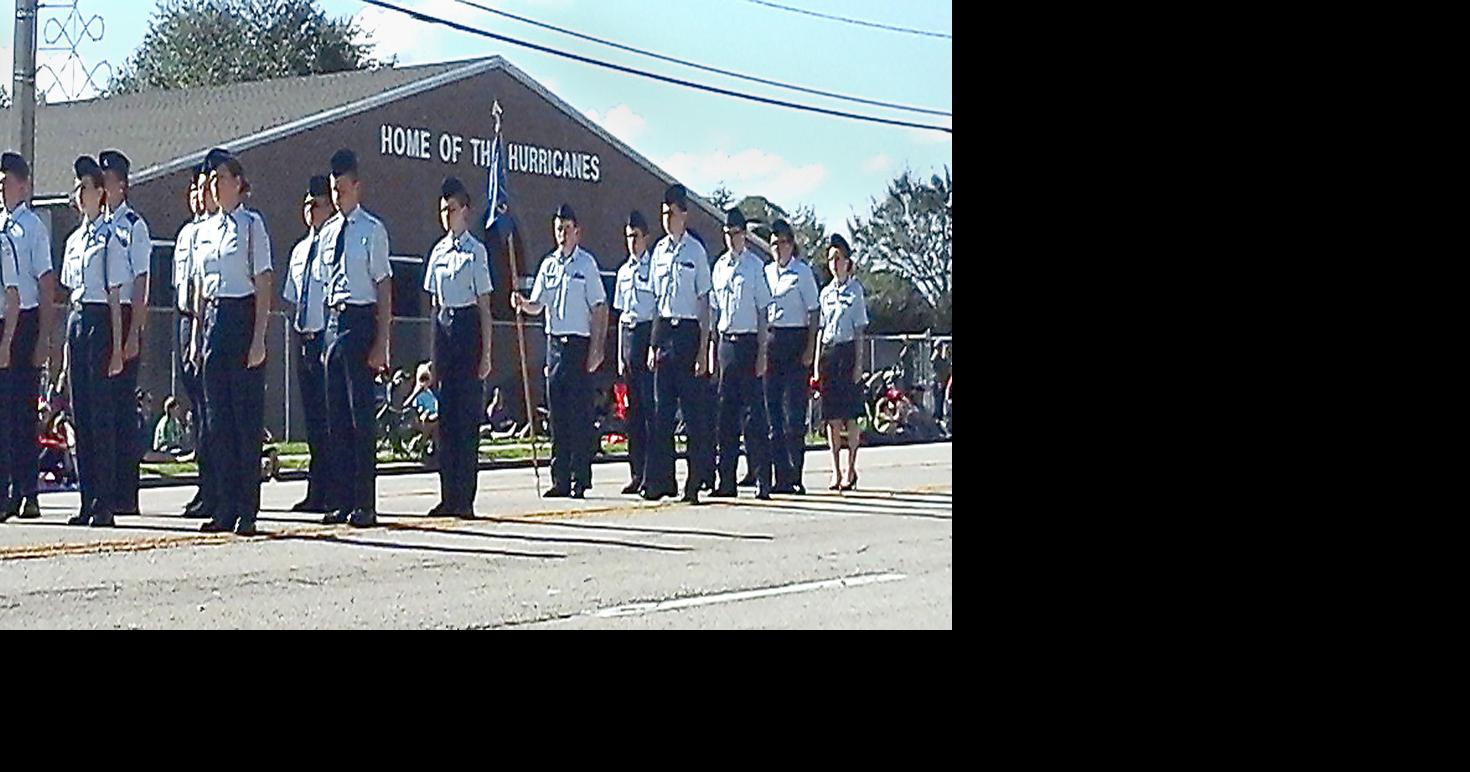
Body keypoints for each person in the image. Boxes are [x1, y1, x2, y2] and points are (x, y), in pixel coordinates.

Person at [196, 153, 272, 535]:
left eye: (221, 176)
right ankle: (224, 505)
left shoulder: (251, 225)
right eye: (211, 177)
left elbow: (262, 283)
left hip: (241, 319)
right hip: (213, 321)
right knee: (217, 421)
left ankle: (247, 508)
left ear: (238, 182)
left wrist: (259, 337)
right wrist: (197, 336)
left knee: (244, 420)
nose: (214, 183)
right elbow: (200, 286)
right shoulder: (205, 230)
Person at [511, 203, 607, 499]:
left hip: (579, 346)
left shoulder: (586, 265)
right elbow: (539, 304)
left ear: (577, 231)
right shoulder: (548, 265)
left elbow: (600, 308)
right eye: (558, 229)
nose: (562, 235)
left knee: (579, 415)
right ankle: (560, 478)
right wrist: (522, 304)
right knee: (558, 415)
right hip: (555, 347)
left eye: (566, 229)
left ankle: (581, 477)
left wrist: (597, 349)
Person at [319, 149, 393, 528]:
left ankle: (365, 502)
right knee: (336, 419)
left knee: (359, 417)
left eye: (343, 189)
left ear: (357, 187)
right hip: (333, 324)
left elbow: (383, 286)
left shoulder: (371, 230)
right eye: (334, 190)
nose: (337, 196)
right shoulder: (328, 232)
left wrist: (382, 341)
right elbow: (322, 286)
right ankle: (341, 498)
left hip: (361, 321)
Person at [59, 156, 128, 526]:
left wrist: (117, 347)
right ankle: (86, 499)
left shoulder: (110, 237)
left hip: (101, 320)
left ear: (100, 193)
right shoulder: (73, 241)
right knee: (81, 415)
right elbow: (70, 292)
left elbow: (115, 296)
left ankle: (105, 501)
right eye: (77, 187)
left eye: (85, 186)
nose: (79, 193)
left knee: (101, 417)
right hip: (77, 319)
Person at [423, 176, 494, 516]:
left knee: (466, 420)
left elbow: (484, 307)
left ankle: (464, 497)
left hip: (468, 332)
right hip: (445, 331)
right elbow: (434, 306)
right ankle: (447, 494)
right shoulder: (437, 252)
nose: (446, 215)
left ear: (465, 210)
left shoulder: (476, 252)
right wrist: (433, 357)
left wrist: (487, 354)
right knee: (447, 421)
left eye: (451, 209)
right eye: (441, 210)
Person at [643, 185, 713, 504]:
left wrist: (702, 350)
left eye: (671, 212)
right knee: (661, 414)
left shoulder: (695, 251)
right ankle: (660, 481)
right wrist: (652, 345)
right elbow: (657, 303)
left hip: (687, 333)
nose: (666, 218)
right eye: (663, 213)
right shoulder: (658, 252)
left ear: (684, 214)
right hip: (664, 336)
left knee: (693, 415)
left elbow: (703, 303)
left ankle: (694, 482)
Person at [0, 151, 55, 521]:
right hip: (2, 319)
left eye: (7, 181)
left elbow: (46, 282)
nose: (2, 188)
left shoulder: (32, 227)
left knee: (22, 412)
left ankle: (27, 490)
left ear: (24, 184)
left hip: (26, 323)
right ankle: (7, 489)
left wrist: (44, 338)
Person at [98, 150, 150, 516]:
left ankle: (126, 492)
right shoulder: (97, 226)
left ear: (122, 184)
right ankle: (107, 488)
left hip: (127, 315)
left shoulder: (133, 225)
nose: (104, 188)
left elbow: (142, 281)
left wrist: (134, 334)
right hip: (103, 318)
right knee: (104, 410)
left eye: (108, 181)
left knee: (121, 408)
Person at [708, 208, 773, 499]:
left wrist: (761, 352)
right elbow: (713, 311)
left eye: (735, 234)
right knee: (725, 417)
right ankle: (726, 481)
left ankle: (761, 478)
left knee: (753, 417)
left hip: (748, 344)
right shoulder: (719, 267)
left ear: (744, 235)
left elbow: (762, 312)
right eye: (727, 234)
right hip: (726, 344)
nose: (731, 239)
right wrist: (711, 350)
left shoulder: (755, 267)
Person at [280, 174, 334, 513]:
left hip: (329, 339)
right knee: (313, 421)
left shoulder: (334, 244)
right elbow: (290, 296)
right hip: (306, 340)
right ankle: (316, 490)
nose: (309, 210)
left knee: (332, 421)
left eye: (315, 204)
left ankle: (335, 489)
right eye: (306, 204)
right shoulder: (300, 250)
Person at [763, 219, 821, 495]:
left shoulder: (802, 273)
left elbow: (814, 312)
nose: (778, 248)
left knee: (793, 414)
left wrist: (810, 348)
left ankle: (795, 474)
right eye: (774, 243)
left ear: (791, 244)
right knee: (772, 413)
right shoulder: (766, 273)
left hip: (795, 342)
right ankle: (779, 475)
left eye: (782, 243)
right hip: (772, 342)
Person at [182, 155, 225, 518]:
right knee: (198, 412)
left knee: (214, 412)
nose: (199, 194)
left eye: (204, 187)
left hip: (211, 319)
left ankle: (217, 489)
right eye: (196, 188)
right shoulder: (190, 233)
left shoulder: (219, 231)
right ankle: (203, 487)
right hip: (189, 321)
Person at [815, 234, 868, 492]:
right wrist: (816, 364)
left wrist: (859, 365)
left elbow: (859, 331)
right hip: (829, 353)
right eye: (831, 259)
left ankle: (851, 468)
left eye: (838, 258)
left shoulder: (855, 291)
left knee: (851, 416)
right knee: (832, 417)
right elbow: (820, 330)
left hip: (848, 354)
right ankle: (835, 470)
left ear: (848, 262)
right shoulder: (825, 294)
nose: (834, 263)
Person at [612, 210, 656, 495]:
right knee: (631, 414)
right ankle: (635, 472)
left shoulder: (653, 268)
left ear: (646, 237)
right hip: (628, 339)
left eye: (636, 236)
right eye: (628, 236)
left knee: (649, 412)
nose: (632, 242)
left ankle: (652, 473)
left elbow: (655, 312)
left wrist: (653, 345)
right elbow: (620, 317)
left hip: (647, 335)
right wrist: (619, 354)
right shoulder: (623, 271)